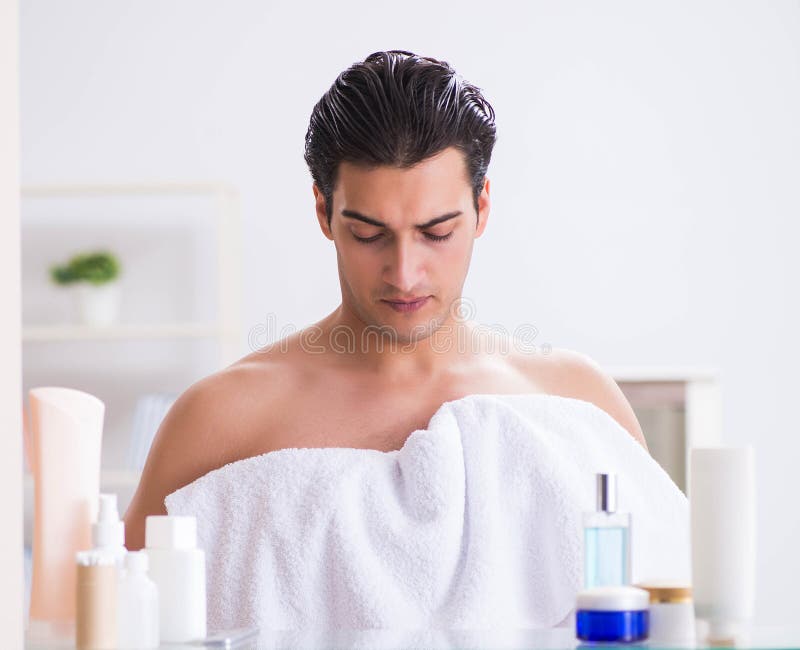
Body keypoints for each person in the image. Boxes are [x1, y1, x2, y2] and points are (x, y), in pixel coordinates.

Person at [124, 49, 647, 551]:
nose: (404, 273)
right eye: (370, 234)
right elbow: (121, 626)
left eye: (436, 232)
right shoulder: (220, 420)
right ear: (324, 211)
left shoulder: (578, 404)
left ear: (481, 207)